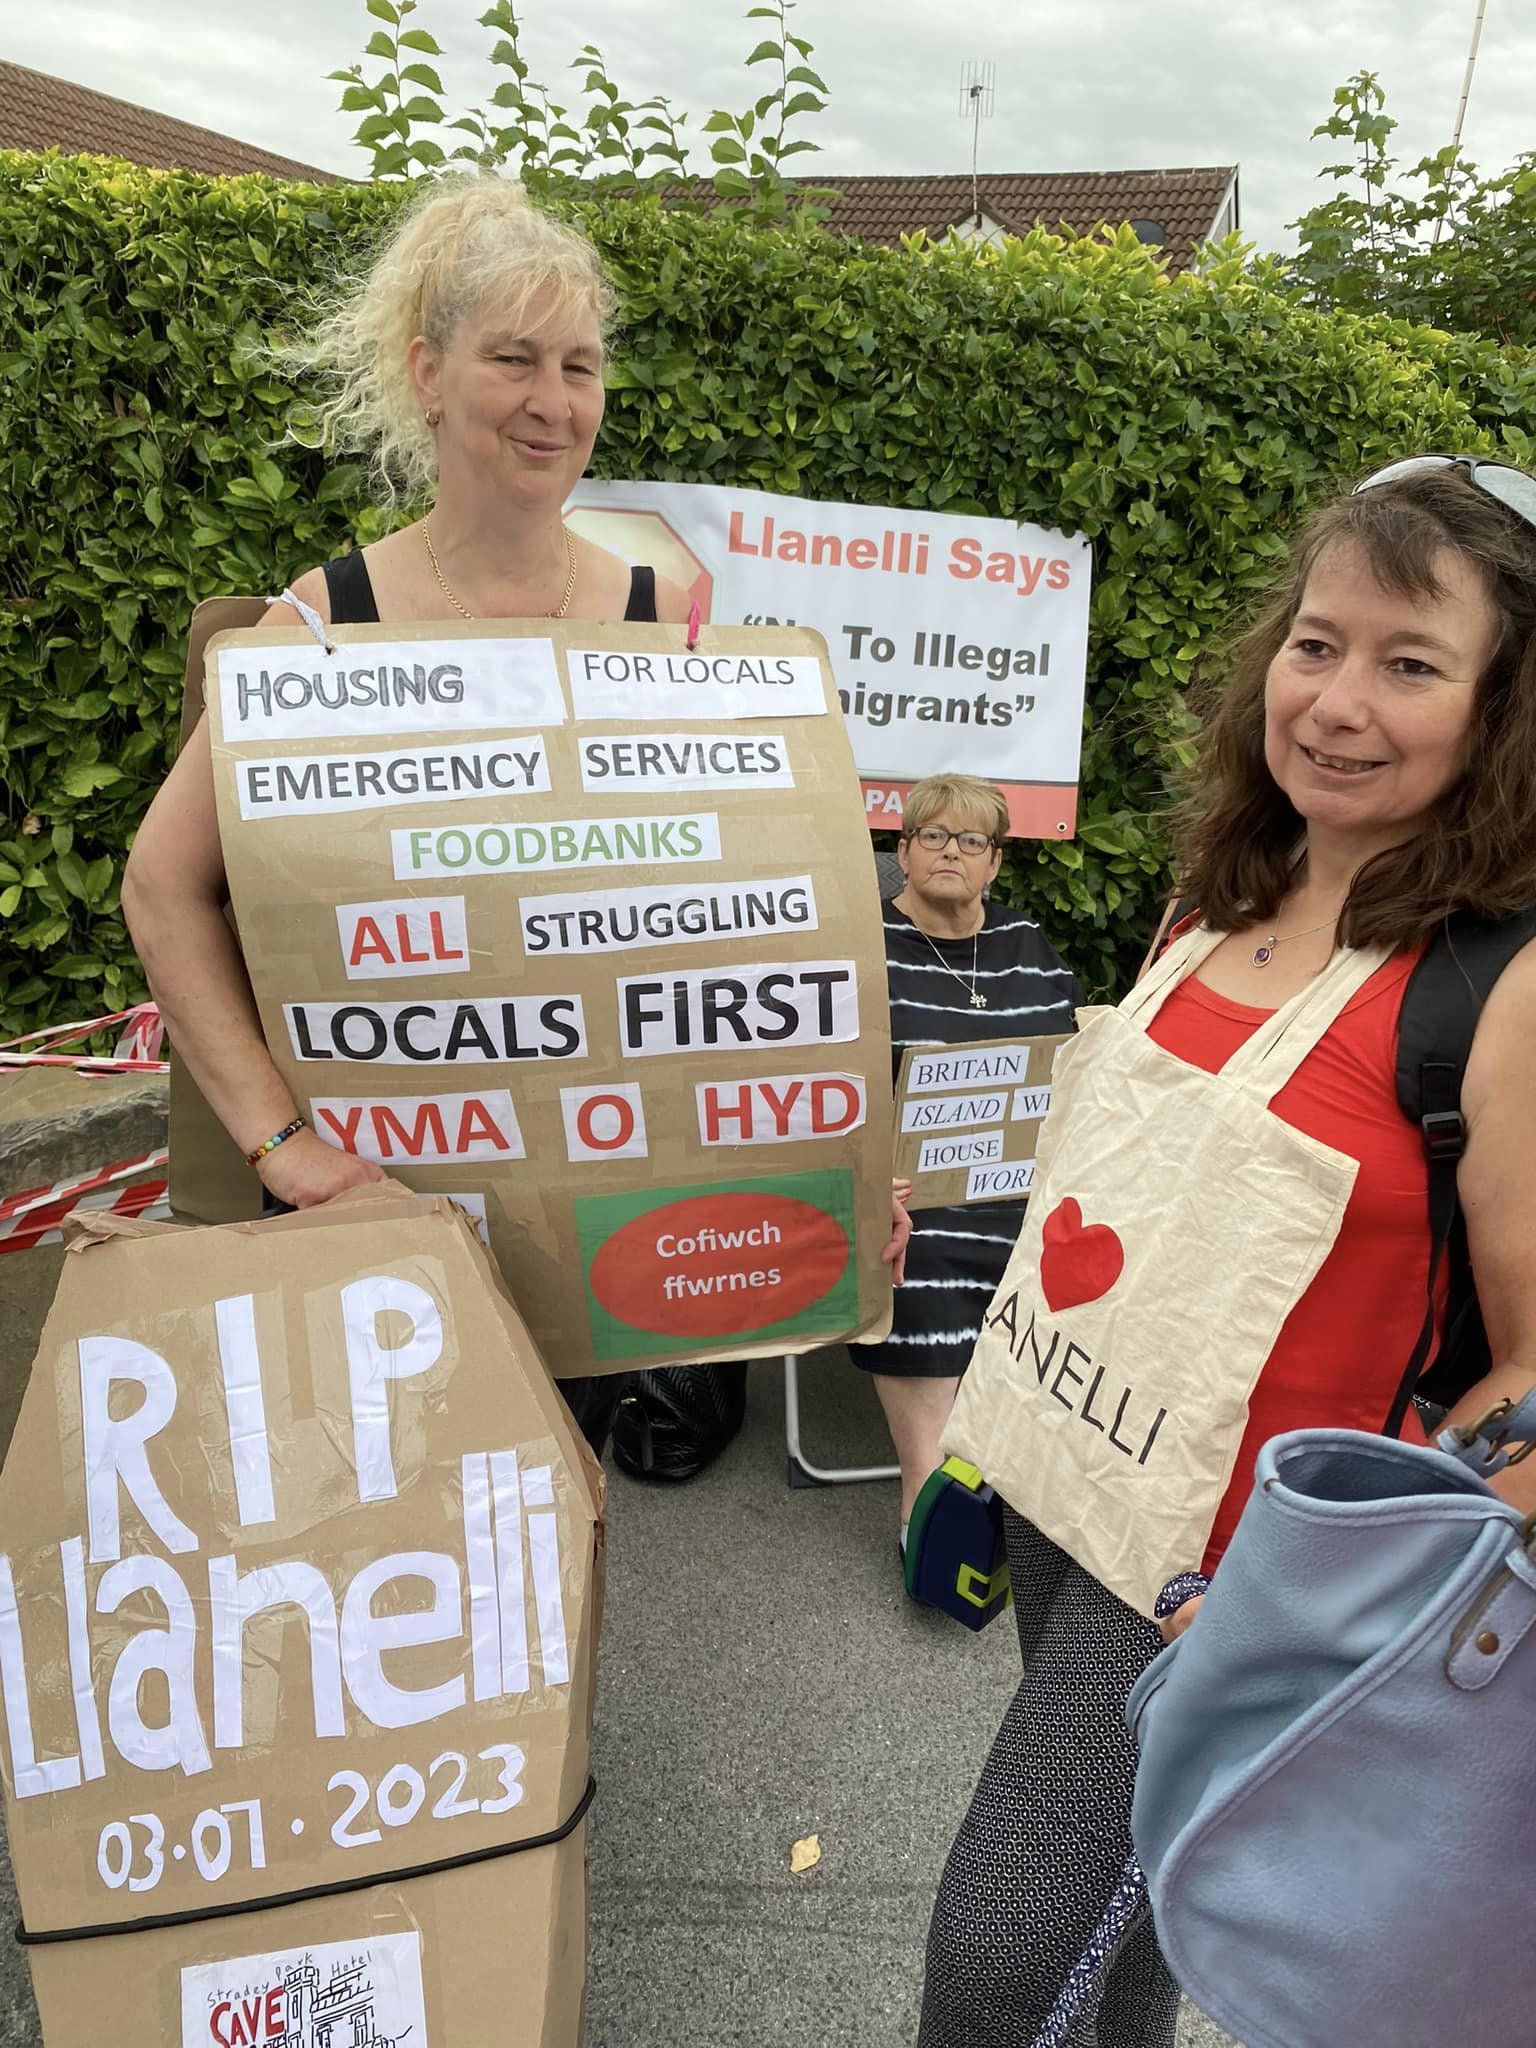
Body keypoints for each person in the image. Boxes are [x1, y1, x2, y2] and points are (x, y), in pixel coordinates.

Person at [122, 175, 906, 1453]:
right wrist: (282, 1143)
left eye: (581, 366)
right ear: (429, 374)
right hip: (375, 1229)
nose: (554, 402)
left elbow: (760, 936)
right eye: (515, 359)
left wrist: (848, 1167)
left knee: (547, 1552)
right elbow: (161, 887)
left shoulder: (676, 626)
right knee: (384, 1542)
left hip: (593, 1247)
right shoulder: (320, 629)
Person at [918, 456, 1536, 2047]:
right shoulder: (1213, 890)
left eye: (1412, 664)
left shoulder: (1502, 986)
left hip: (1235, 1584)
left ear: (1504, 708)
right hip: (1078, 1493)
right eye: (1317, 642)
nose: (1336, 700)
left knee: (998, 1968)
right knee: (1129, 1929)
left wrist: (1338, 1593)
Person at [853, 774, 1083, 1554]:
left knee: (1071, 1250)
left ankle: (1005, 1470)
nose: (951, 852)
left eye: (972, 840)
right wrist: (863, 1174)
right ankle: (930, 1498)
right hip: (907, 1193)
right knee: (920, 1244)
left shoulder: (1031, 950)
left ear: (994, 864)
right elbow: (825, 1088)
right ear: (902, 850)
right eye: (933, 836)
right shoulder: (860, 949)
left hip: (1020, 1187)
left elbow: (1071, 1068)